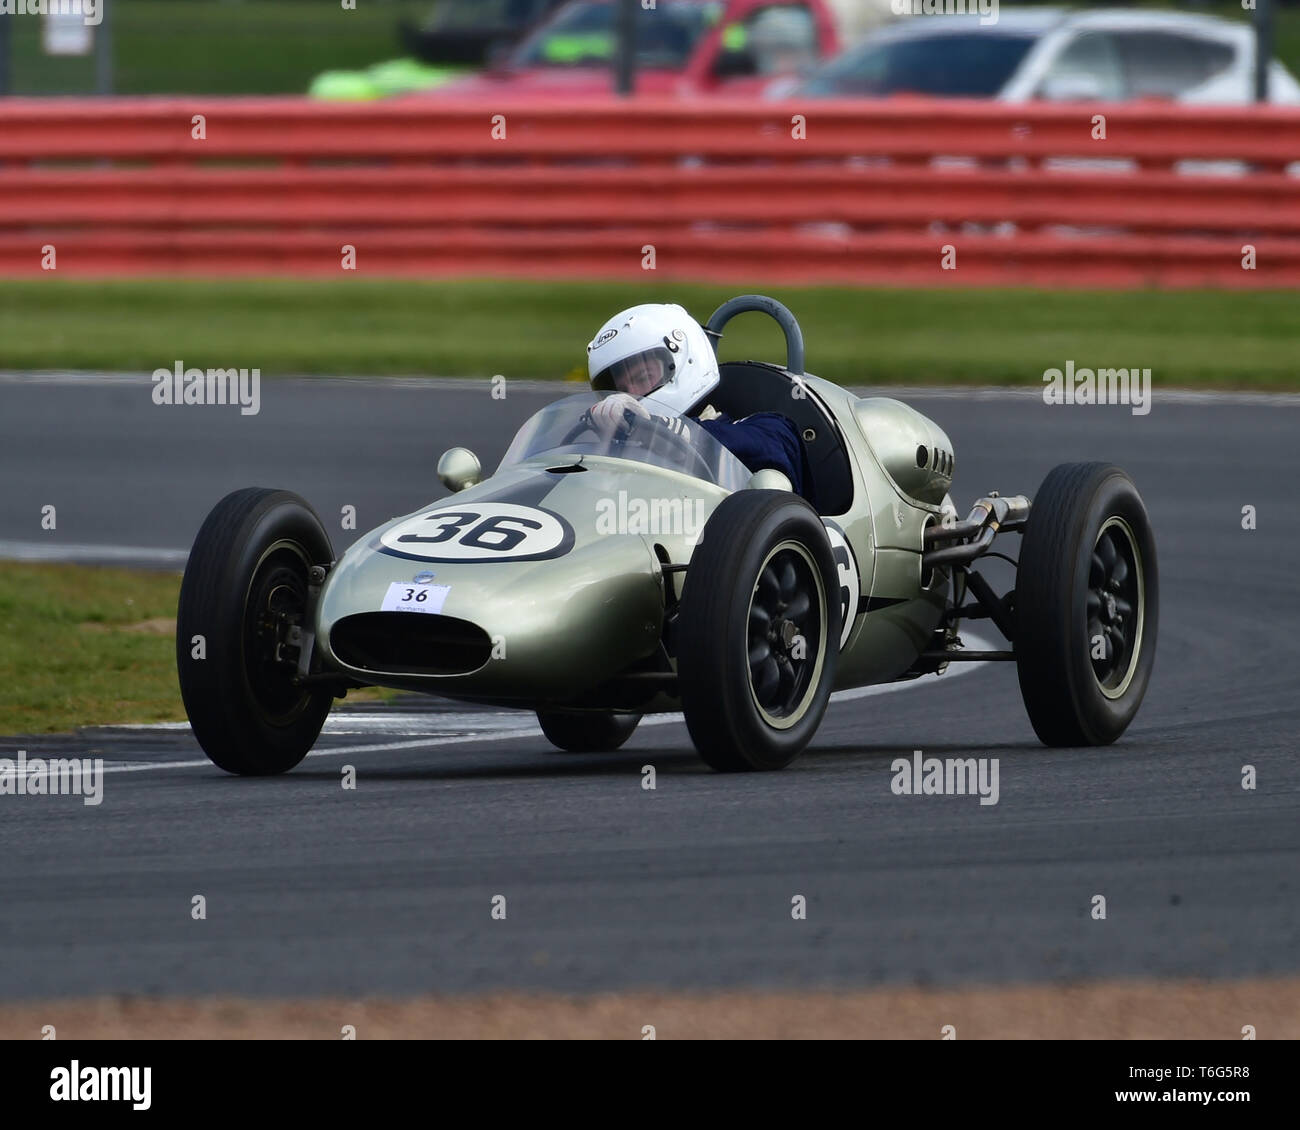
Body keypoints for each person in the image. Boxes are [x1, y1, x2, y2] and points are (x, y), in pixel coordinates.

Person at [584, 303, 809, 497]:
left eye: (643, 377)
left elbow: (773, 445)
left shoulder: (763, 429)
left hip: (718, 543)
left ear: (685, 360)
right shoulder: (619, 451)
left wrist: (672, 433)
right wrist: (606, 448)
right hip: (630, 540)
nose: (630, 394)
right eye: (619, 390)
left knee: (769, 482)